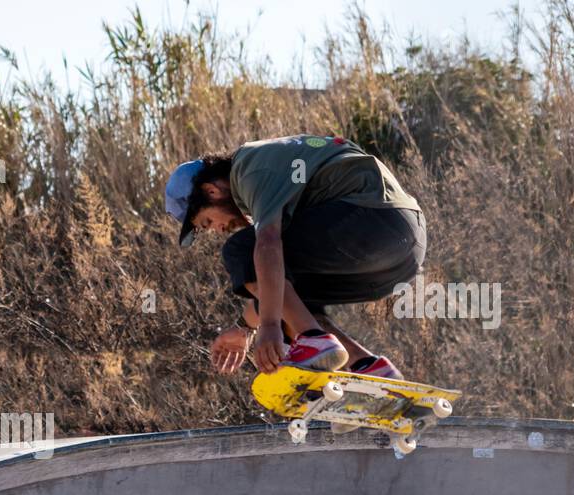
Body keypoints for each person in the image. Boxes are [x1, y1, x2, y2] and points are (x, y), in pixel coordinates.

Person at [165, 135, 424, 384]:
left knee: (242, 249)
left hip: (375, 220)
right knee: (284, 292)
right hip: (402, 253)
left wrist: (268, 326)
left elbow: (267, 244)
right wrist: (244, 328)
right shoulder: (270, 178)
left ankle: (314, 339)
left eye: (208, 222)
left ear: (211, 191)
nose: (219, 230)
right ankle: (368, 367)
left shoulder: (248, 168)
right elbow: (274, 289)